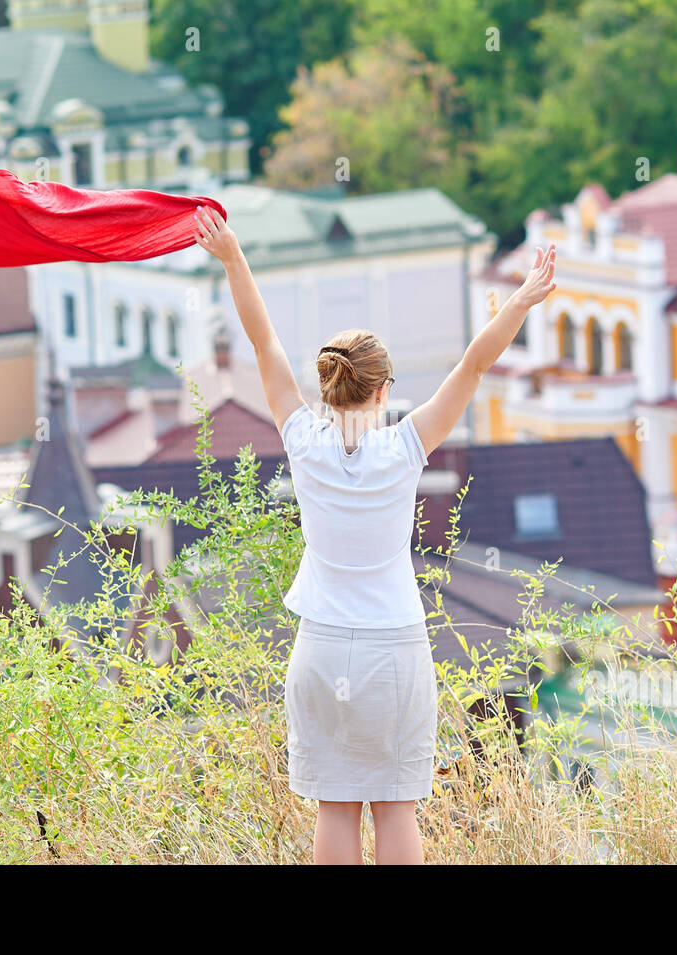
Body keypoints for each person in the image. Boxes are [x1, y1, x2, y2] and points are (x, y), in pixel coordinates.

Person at [193, 206, 556, 864]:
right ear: (384, 388)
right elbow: (474, 365)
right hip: (394, 647)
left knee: (336, 803)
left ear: (328, 385)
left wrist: (232, 257)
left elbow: (263, 344)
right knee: (395, 803)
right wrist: (523, 299)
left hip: (322, 647)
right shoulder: (405, 445)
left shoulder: (302, 437)